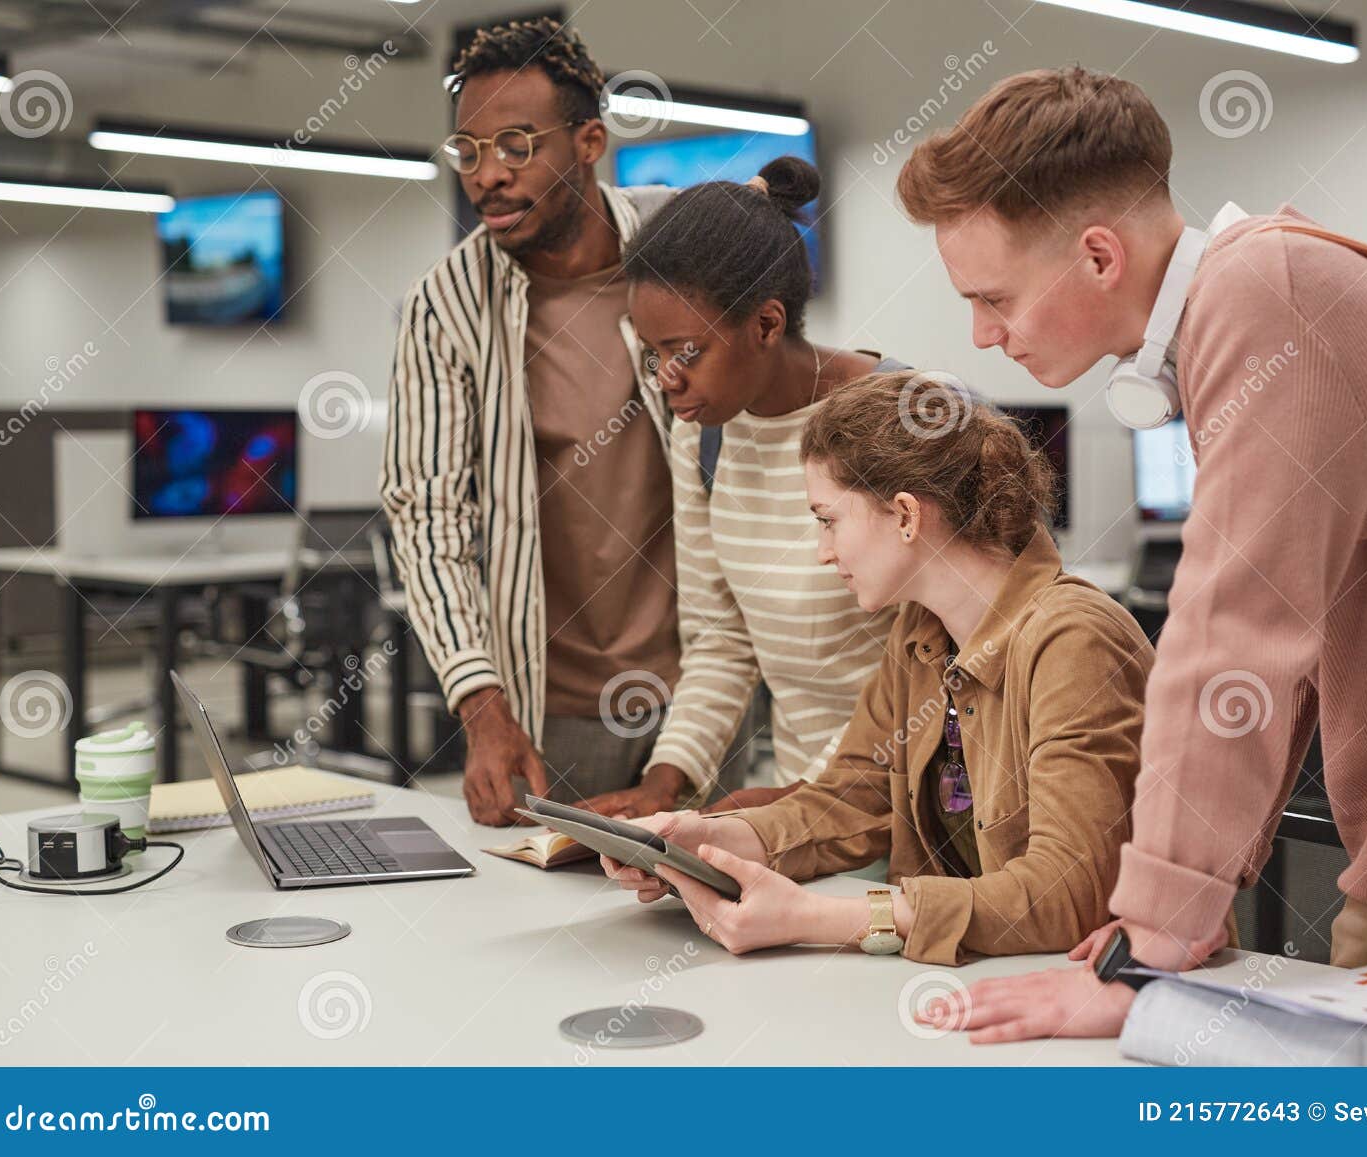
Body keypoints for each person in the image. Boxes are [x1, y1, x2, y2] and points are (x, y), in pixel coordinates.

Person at [889, 68, 1367, 1040]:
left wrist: (1152, 934)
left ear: (1097, 256)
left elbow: (1231, 634)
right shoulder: (1264, 284)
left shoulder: (1262, 295)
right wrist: (1182, 903)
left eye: (992, 296)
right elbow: (1278, 635)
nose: (982, 333)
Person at [600, 371, 1158, 965]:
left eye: (827, 519)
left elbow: (1064, 893)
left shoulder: (1075, 641)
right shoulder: (920, 632)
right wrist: (708, 840)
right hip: (992, 985)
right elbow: (851, 796)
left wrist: (816, 919)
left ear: (906, 516)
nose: (823, 551)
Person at [381, 18, 682, 824]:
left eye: (516, 146)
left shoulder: (681, 251)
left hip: (701, 693)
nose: (488, 176)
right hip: (543, 711)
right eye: (469, 152)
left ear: (588, 141)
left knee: (729, 922)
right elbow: (429, 514)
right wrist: (482, 709)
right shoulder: (444, 306)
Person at [578, 158, 907, 818]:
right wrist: (664, 781)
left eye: (684, 350)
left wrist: (815, 795)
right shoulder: (704, 435)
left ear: (766, 324)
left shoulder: (901, 420)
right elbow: (723, 638)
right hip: (811, 808)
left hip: (920, 804)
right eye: (651, 353)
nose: (666, 379)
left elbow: (959, 660)